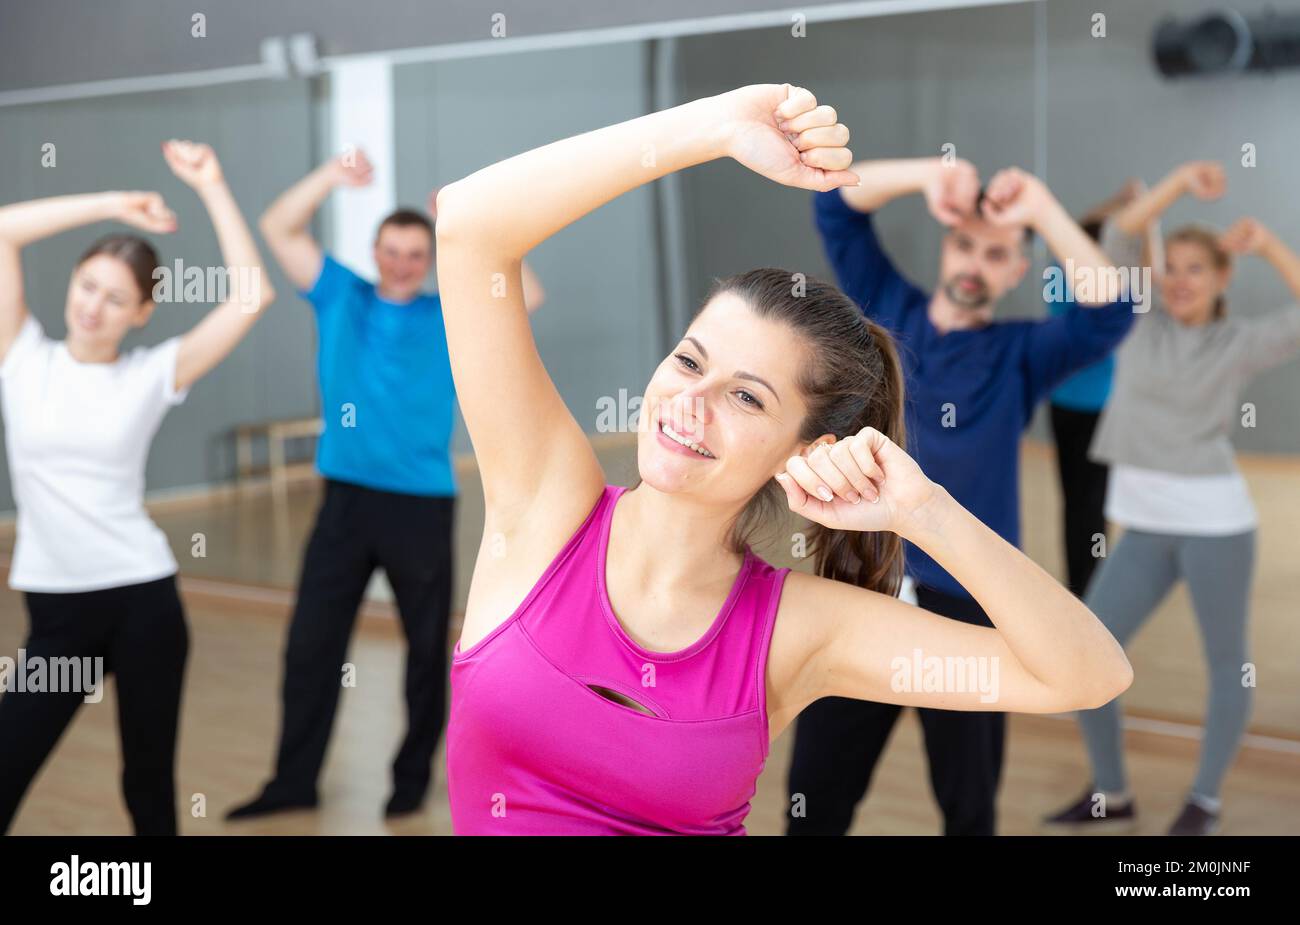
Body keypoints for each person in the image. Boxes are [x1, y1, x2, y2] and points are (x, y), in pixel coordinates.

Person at [433, 82, 1132, 835]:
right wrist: (718, 126)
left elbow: (1090, 674)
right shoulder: (543, 503)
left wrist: (923, 512)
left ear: (807, 451)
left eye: (747, 398)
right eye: (689, 360)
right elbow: (471, 227)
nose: (692, 403)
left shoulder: (798, 626)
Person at [786, 156, 1137, 835]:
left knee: (968, 807)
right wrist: (926, 176)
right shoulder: (884, 310)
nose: (977, 262)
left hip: (970, 601)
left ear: (1014, 273)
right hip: (862, 585)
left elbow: (1112, 313)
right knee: (816, 796)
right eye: (967, 244)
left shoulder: (1021, 353)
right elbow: (835, 202)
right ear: (948, 245)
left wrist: (1039, 207)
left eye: (998, 253)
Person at [226, 150, 543, 821]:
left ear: (428, 259)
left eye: (414, 253)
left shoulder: (449, 312)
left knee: (425, 650)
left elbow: (529, 293)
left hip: (421, 504)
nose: (400, 262)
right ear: (374, 250)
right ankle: (292, 779)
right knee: (311, 643)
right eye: (390, 251)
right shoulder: (342, 294)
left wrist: (466, 219)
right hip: (344, 499)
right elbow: (279, 226)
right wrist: (331, 178)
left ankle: (409, 778)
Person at [0, 141, 276, 834]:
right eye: (88, 285)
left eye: (116, 297)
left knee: (148, 788)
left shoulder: (153, 374)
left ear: (143, 313)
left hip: (143, 600)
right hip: (58, 614)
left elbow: (253, 296)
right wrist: (113, 203)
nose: (94, 306)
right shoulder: (19, 356)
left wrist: (212, 184)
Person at [1043, 161, 1300, 836]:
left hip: (1217, 526)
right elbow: (1121, 233)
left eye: (1197, 269)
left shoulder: (1237, 342)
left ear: (1221, 279)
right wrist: (1182, 181)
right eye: (1173, 267)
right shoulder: (1135, 322)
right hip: (1145, 526)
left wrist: (1269, 244)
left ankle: (1205, 801)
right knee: (1087, 652)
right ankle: (1113, 793)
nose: (1180, 280)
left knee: (1227, 662)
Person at [1048, 179, 1150, 599]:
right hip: (1096, 408)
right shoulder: (1110, 289)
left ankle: (1083, 584)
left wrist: (1115, 202)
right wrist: (1145, 219)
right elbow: (1143, 276)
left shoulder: (1057, 276)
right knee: (1093, 503)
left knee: (1078, 500)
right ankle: (1088, 588)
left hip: (1066, 403)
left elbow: (1077, 227)